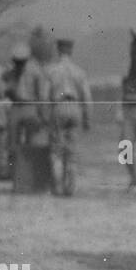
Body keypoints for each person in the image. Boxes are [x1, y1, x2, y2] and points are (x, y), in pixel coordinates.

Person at [44, 39, 92, 196]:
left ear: (58, 50)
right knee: (71, 152)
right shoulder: (79, 72)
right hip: (75, 107)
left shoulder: (51, 71)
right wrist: (87, 119)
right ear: (71, 51)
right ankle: (70, 188)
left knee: (56, 151)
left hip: (58, 107)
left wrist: (45, 116)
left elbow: (44, 96)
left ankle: (57, 187)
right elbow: (87, 98)